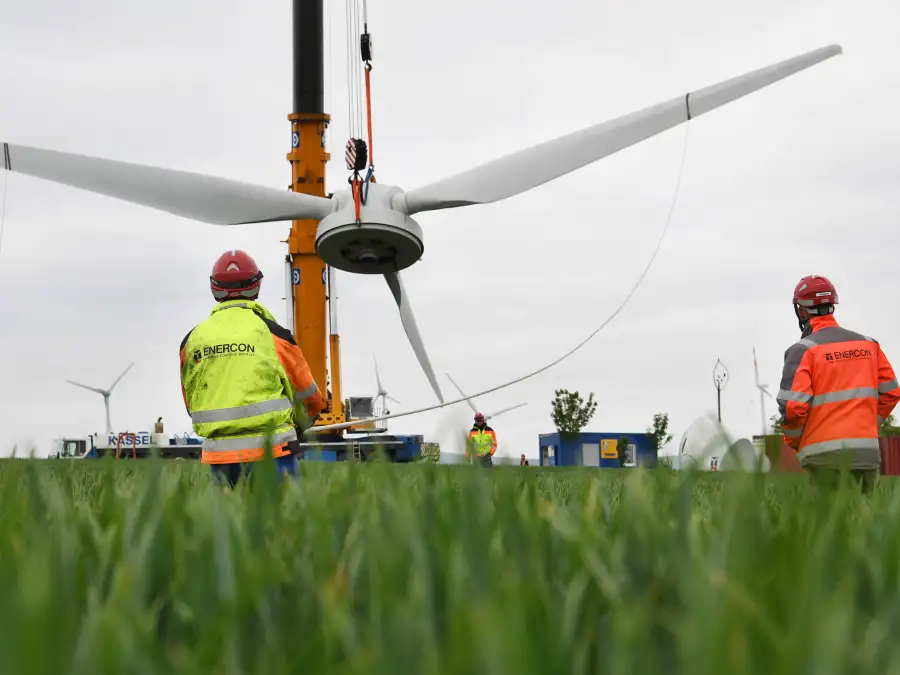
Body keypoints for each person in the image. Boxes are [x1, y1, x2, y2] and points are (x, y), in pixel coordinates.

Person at [179, 249, 324, 487]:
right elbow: (309, 397)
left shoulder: (192, 341)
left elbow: (190, 402)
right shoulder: (274, 335)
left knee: (227, 523)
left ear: (215, 288)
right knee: (286, 521)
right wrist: (301, 425)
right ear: (256, 286)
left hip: (220, 458)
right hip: (274, 453)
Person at [776, 275, 900, 493]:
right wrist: (867, 427)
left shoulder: (802, 351)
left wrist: (797, 442)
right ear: (832, 305)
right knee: (864, 521)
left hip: (824, 459)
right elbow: (892, 393)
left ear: (801, 310)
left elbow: (793, 408)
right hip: (867, 454)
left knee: (829, 524)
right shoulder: (869, 345)